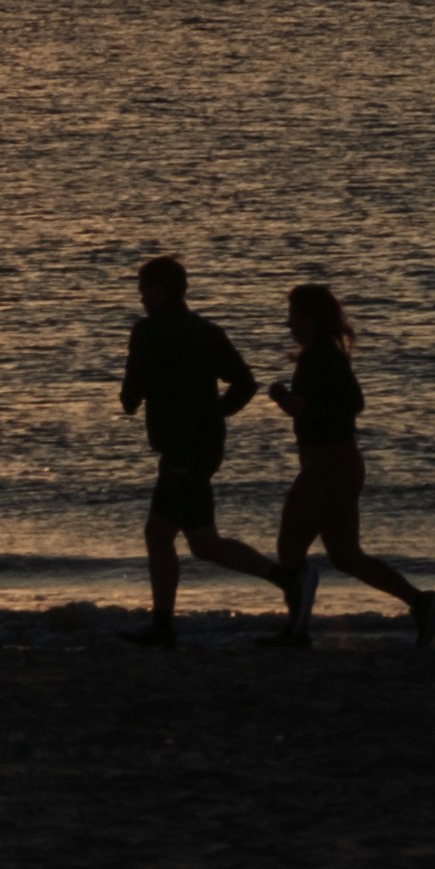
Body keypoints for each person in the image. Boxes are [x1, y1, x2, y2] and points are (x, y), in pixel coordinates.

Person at [119, 254, 285, 641]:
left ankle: (164, 625)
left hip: (182, 449)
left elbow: (131, 393)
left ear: (158, 291)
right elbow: (245, 383)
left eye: (143, 291)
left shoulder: (147, 331)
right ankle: (287, 581)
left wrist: (132, 399)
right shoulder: (208, 331)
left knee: (173, 536)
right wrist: (215, 414)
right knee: (193, 540)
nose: (141, 299)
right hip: (205, 446)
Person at [272, 279, 435, 639]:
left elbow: (302, 407)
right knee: (345, 555)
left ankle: (296, 628)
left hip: (327, 465)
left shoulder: (319, 358)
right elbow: (354, 402)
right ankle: (420, 601)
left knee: (290, 546)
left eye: (294, 316)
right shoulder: (331, 356)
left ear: (311, 319)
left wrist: (278, 395)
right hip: (343, 463)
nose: (289, 325)